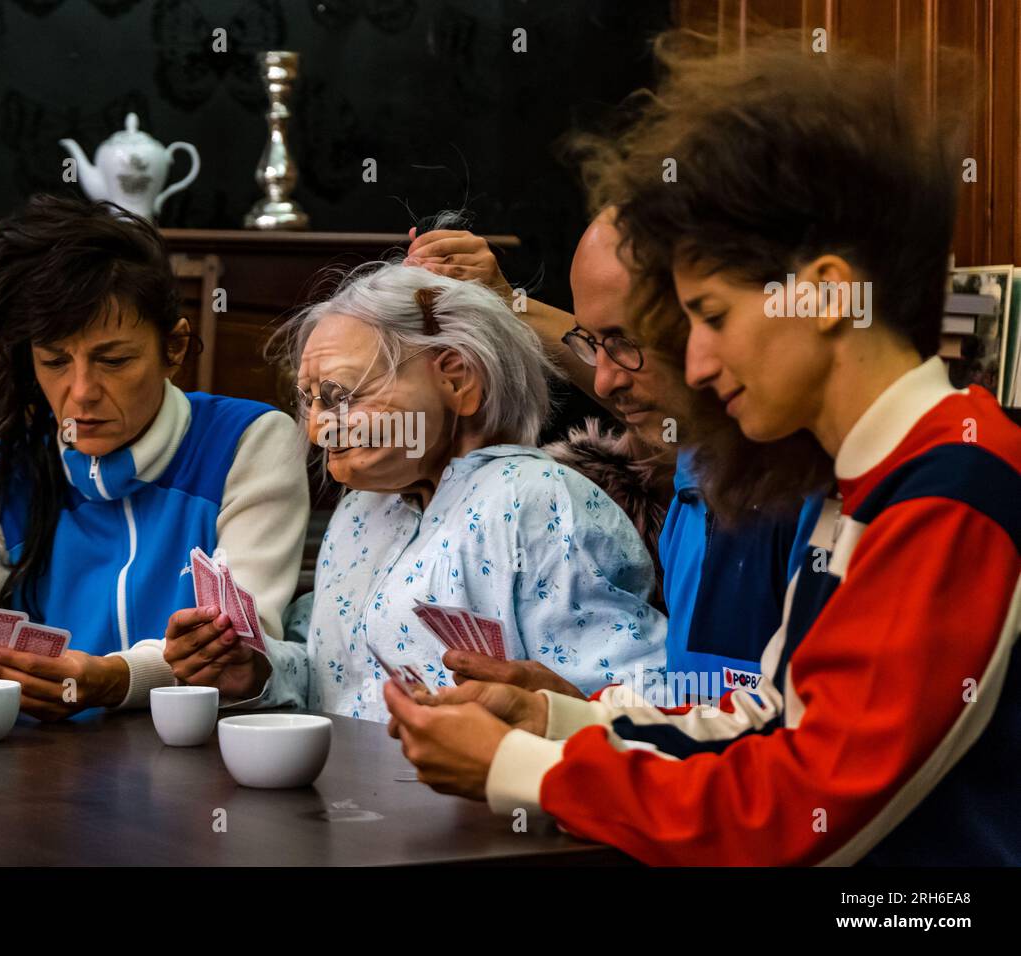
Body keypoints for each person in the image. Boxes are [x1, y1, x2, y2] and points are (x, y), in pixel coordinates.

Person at [385, 33, 1021, 865]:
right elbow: (772, 720)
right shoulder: (864, 481)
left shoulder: (954, 487)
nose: (695, 364)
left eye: (713, 316)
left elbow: (800, 814)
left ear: (828, 293)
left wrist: (522, 768)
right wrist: (563, 721)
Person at [162, 261, 666, 721]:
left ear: (457, 378)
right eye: (310, 402)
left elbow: (641, 700)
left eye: (342, 396)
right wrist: (256, 671)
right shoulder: (363, 509)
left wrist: (550, 710)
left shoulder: (536, 501)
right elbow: (334, 680)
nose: (318, 430)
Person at [407, 210, 826, 706]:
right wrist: (570, 715)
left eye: (628, 341)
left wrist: (579, 725)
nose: (604, 382)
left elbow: (791, 752)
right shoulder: (696, 481)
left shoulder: (824, 499)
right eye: (592, 344)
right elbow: (710, 725)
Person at [0, 194, 309, 720]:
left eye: (114, 360)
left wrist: (116, 679)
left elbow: (234, 648)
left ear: (173, 348)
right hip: (38, 775)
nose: (81, 392)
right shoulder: (0, 471)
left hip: (198, 773)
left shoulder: (248, 442)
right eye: (55, 361)